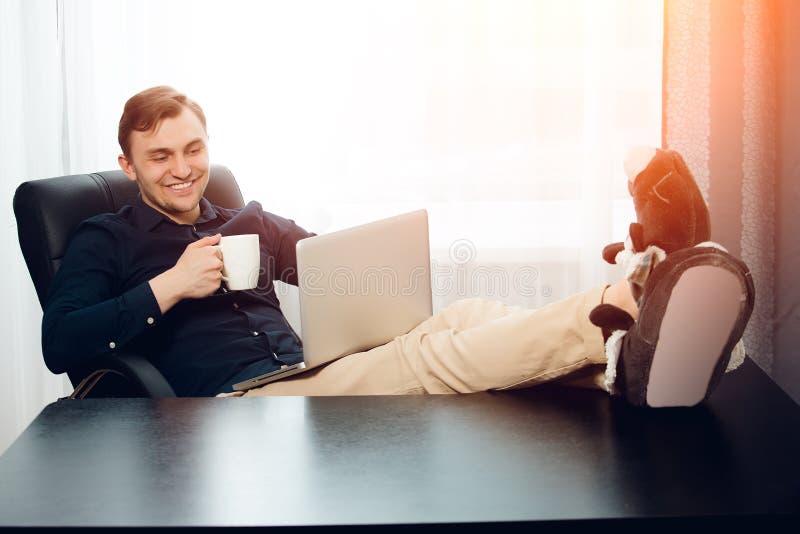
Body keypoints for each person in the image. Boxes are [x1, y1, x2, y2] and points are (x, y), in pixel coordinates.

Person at [42, 86, 754, 407]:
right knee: (426, 360)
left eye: (193, 148)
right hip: (242, 405)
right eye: (160, 156)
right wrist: (170, 286)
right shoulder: (104, 238)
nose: (184, 168)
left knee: (463, 317)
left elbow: (330, 267)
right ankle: (630, 298)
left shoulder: (245, 218)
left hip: (305, 370)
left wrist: (366, 278)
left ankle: (622, 361)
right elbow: (60, 343)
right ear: (129, 165)